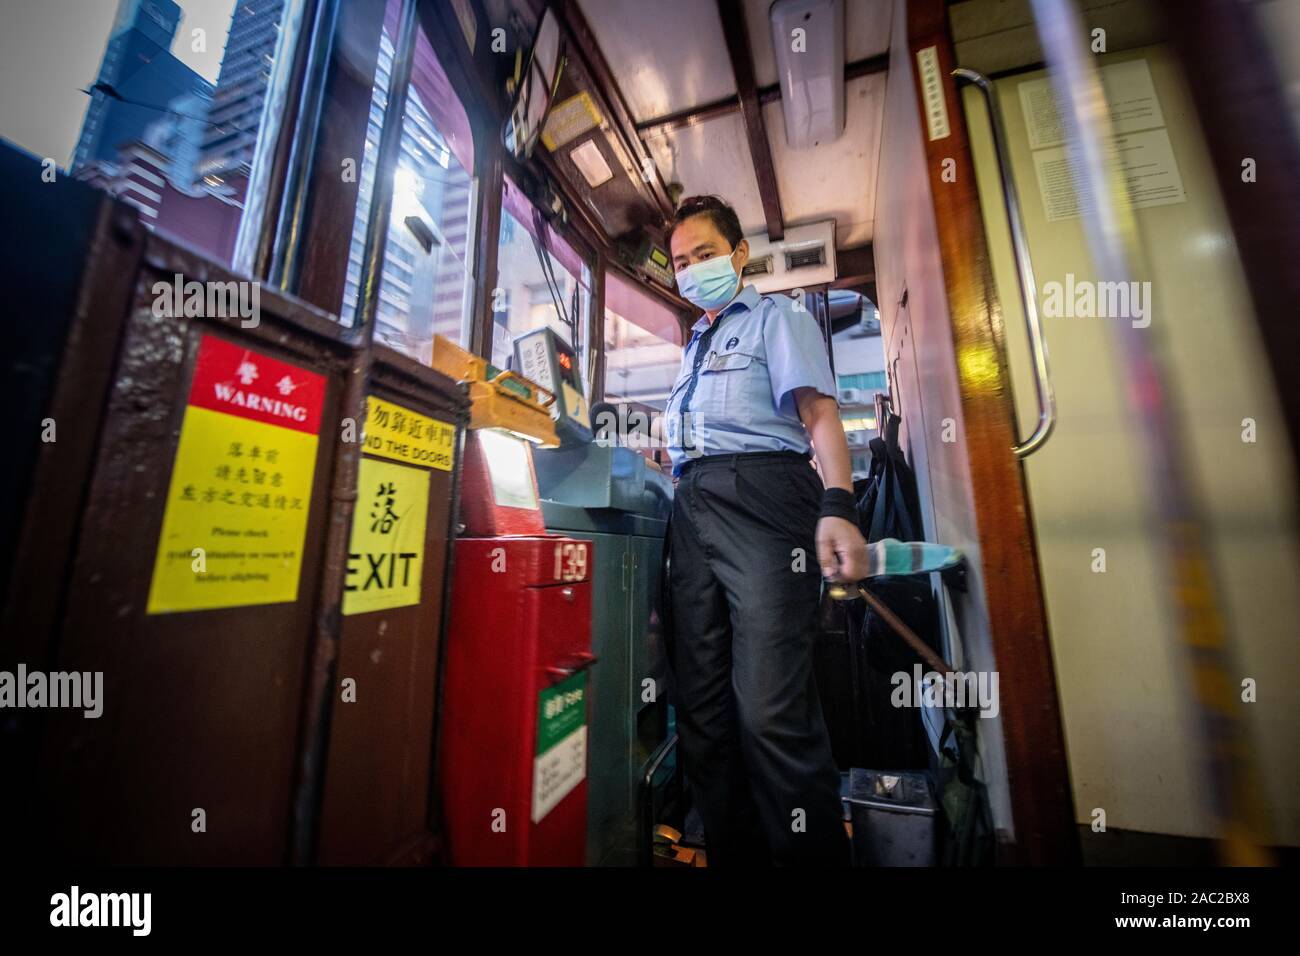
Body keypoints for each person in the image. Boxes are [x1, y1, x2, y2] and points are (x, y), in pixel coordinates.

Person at [663, 195, 868, 866]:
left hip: (766, 500)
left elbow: (817, 415)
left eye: (704, 254)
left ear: (739, 254)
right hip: (692, 508)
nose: (692, 270)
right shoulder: (695, 344)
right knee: (703, 710)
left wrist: (838, 503)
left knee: (770, 712)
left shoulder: (776, 319)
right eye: (681, 262)